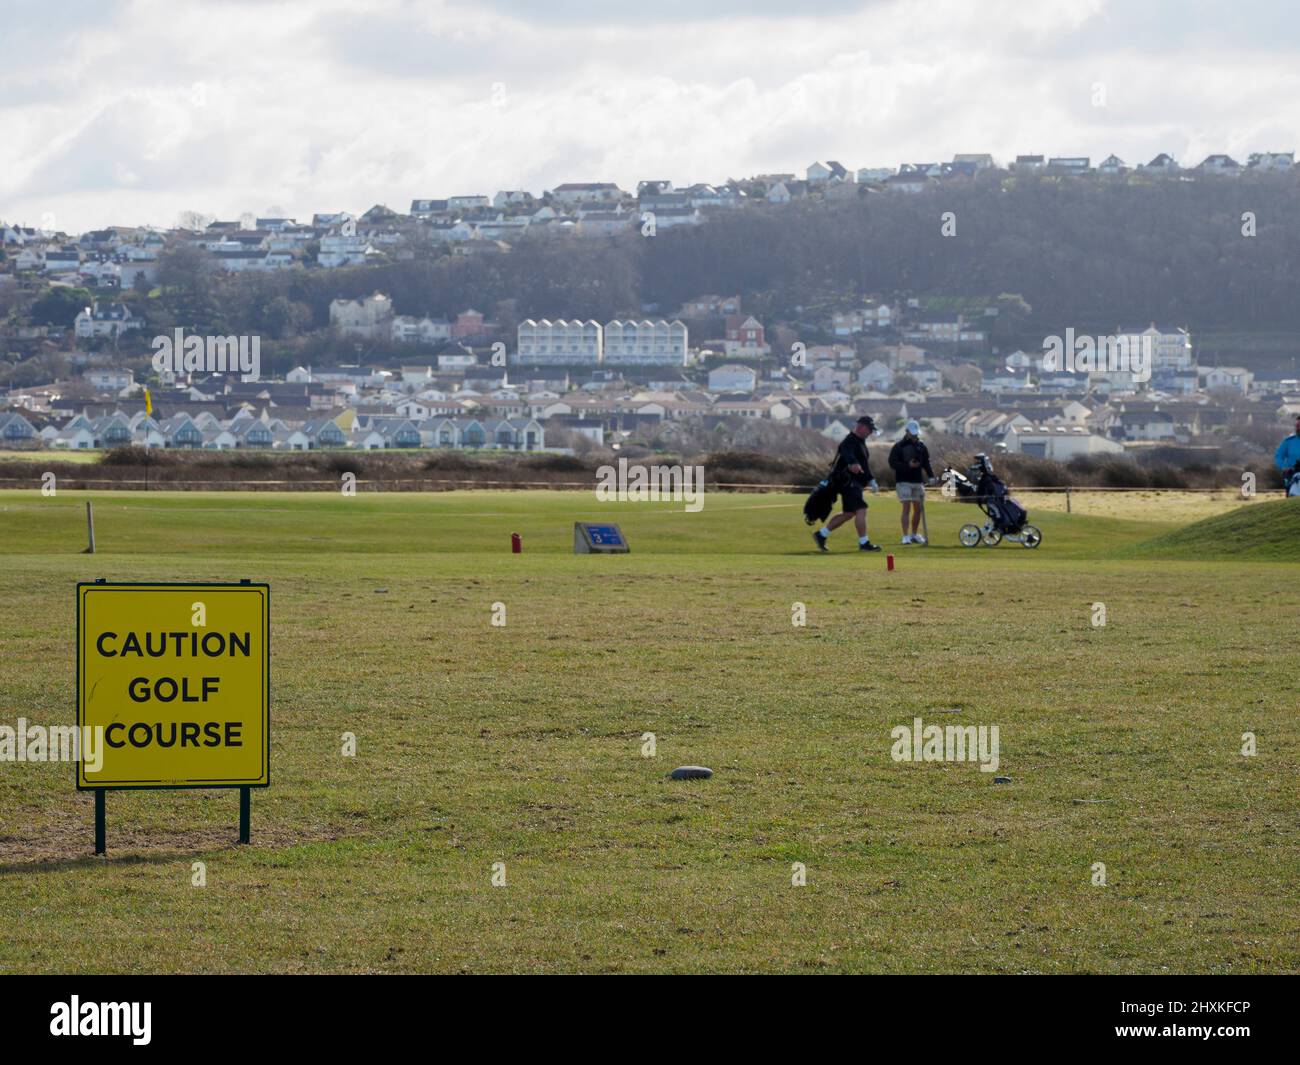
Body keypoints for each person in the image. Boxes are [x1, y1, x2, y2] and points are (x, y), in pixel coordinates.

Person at [813, 415, 882, 552]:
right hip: (849, 483)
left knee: (849, 514)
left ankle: (821, 535)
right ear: (861, 427)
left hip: (853, 483)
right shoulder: (850, 441)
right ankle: (864, 543)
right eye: (869, 430)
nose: (870, 433)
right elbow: (848, 454)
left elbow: (864, 465)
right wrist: (853, 463)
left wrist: (871, 479)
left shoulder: (861, 442)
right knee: (861, 509)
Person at [888, 419, 935, 544]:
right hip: (903, 481)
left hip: (917, 481)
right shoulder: (898, 446)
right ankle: (905, 536)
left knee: (918, 509)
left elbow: (926, 463)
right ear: (907, 432)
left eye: (916, 434)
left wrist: (931, 475)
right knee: (906, 507)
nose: (915, 436)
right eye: (912, 433)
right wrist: (908, 465)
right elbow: (893, 463)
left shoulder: (921, 446)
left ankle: (914, 534)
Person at [1275, 413, 1300, 494]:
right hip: (1292, 475)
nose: (1298, 428)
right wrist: (1284, 467)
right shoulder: (1288, 442)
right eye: (1297, 426)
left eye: (1299, 425)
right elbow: (1279, 456)